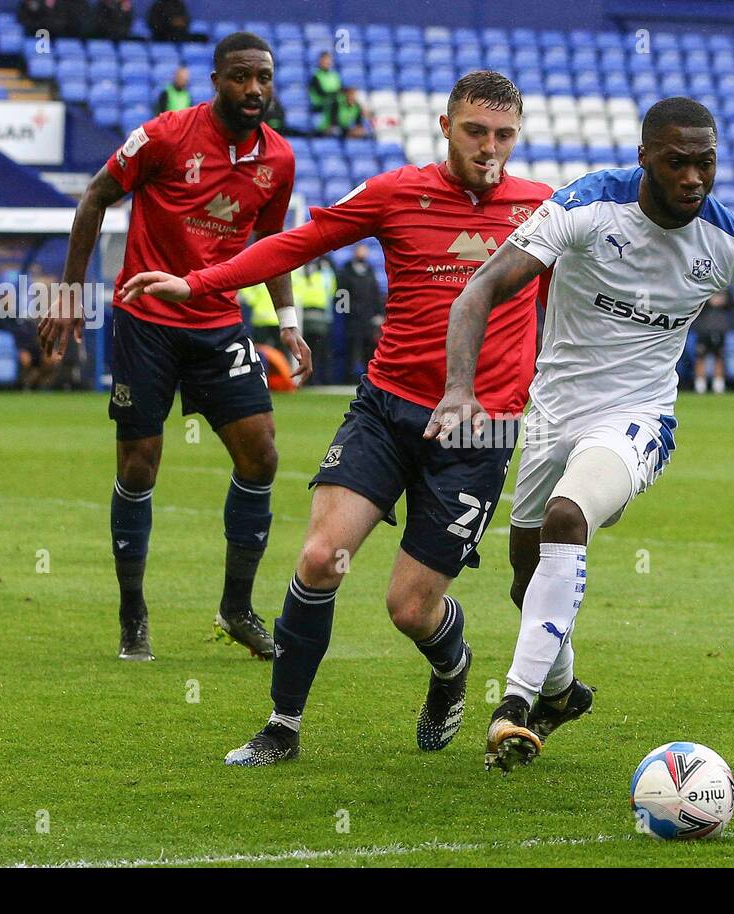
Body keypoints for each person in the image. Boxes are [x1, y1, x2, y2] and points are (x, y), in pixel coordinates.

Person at [118, 71, 553, 764]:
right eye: (475, 131)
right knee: (321, 558)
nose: (489, 147)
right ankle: (282, 727)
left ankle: (451, 666)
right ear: (445, 127)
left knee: (410, 608)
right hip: (386, 411)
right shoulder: (393, 192)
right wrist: (198, 282)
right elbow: (296, 243)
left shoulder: (542, 211)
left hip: (478, 431)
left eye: (503, 134)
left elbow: (568, 314)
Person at [424, 97, 734, 772]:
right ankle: (564, 692)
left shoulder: (732, 239)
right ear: (644, 159)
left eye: (705, 162)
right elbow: (480, 289)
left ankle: (514, 706)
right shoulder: (586, 208)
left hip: (638, 417)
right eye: (676, 162)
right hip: (552, 414)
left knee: (568, 520)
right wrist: (460, 386)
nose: (693, 178)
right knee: (525, 580)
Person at [37, 32, 309, 663]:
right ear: (215, 80)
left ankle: (236, 608)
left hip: (218, 323)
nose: (254, 90)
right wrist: (70, 292)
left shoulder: (279, 161)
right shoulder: (163, 136)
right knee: (138, 467)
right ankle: (134, 613)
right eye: (241, 77)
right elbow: (95, 197)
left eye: (264, 78)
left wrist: (288, 318)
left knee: (262, 456)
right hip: (146, 321)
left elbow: (272, 245)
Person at [336, 243, 384, 380]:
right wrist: (345, 312)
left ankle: (369, 376)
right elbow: (341, 293)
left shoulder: (370, 270)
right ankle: (348, 377)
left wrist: (378, 313)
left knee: (367, 348)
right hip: (352, 318)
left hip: (368, 317)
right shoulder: (346, 271)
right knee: (351, 347)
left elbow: (375, 293)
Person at [292, 257, 335, 383]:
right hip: (310, 313)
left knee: (314, 349)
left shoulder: (320, 271)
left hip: (314, 313)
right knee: (312, 349)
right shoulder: (323, 271)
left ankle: (312, 379)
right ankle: (312, 379)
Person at [690, 289, 734, 394]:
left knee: (719, 356)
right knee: (700, 356)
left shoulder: (726, 287)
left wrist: (723, 301)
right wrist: (708, 301)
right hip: (704, 327)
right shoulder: (702, 285)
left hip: (720, 327)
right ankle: (700, 386)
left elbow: (732, 304)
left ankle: (718, 386)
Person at [309, 51, 341, 135]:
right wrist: (333, 94)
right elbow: (321, 92)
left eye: (328, 60)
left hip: (333, 102)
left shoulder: (335, 76)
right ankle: (332, 127)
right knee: (334, 103)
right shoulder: (316, 76)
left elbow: (339, 90)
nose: (327, 62)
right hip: (320, 104)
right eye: (325, 60)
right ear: (320, 61)